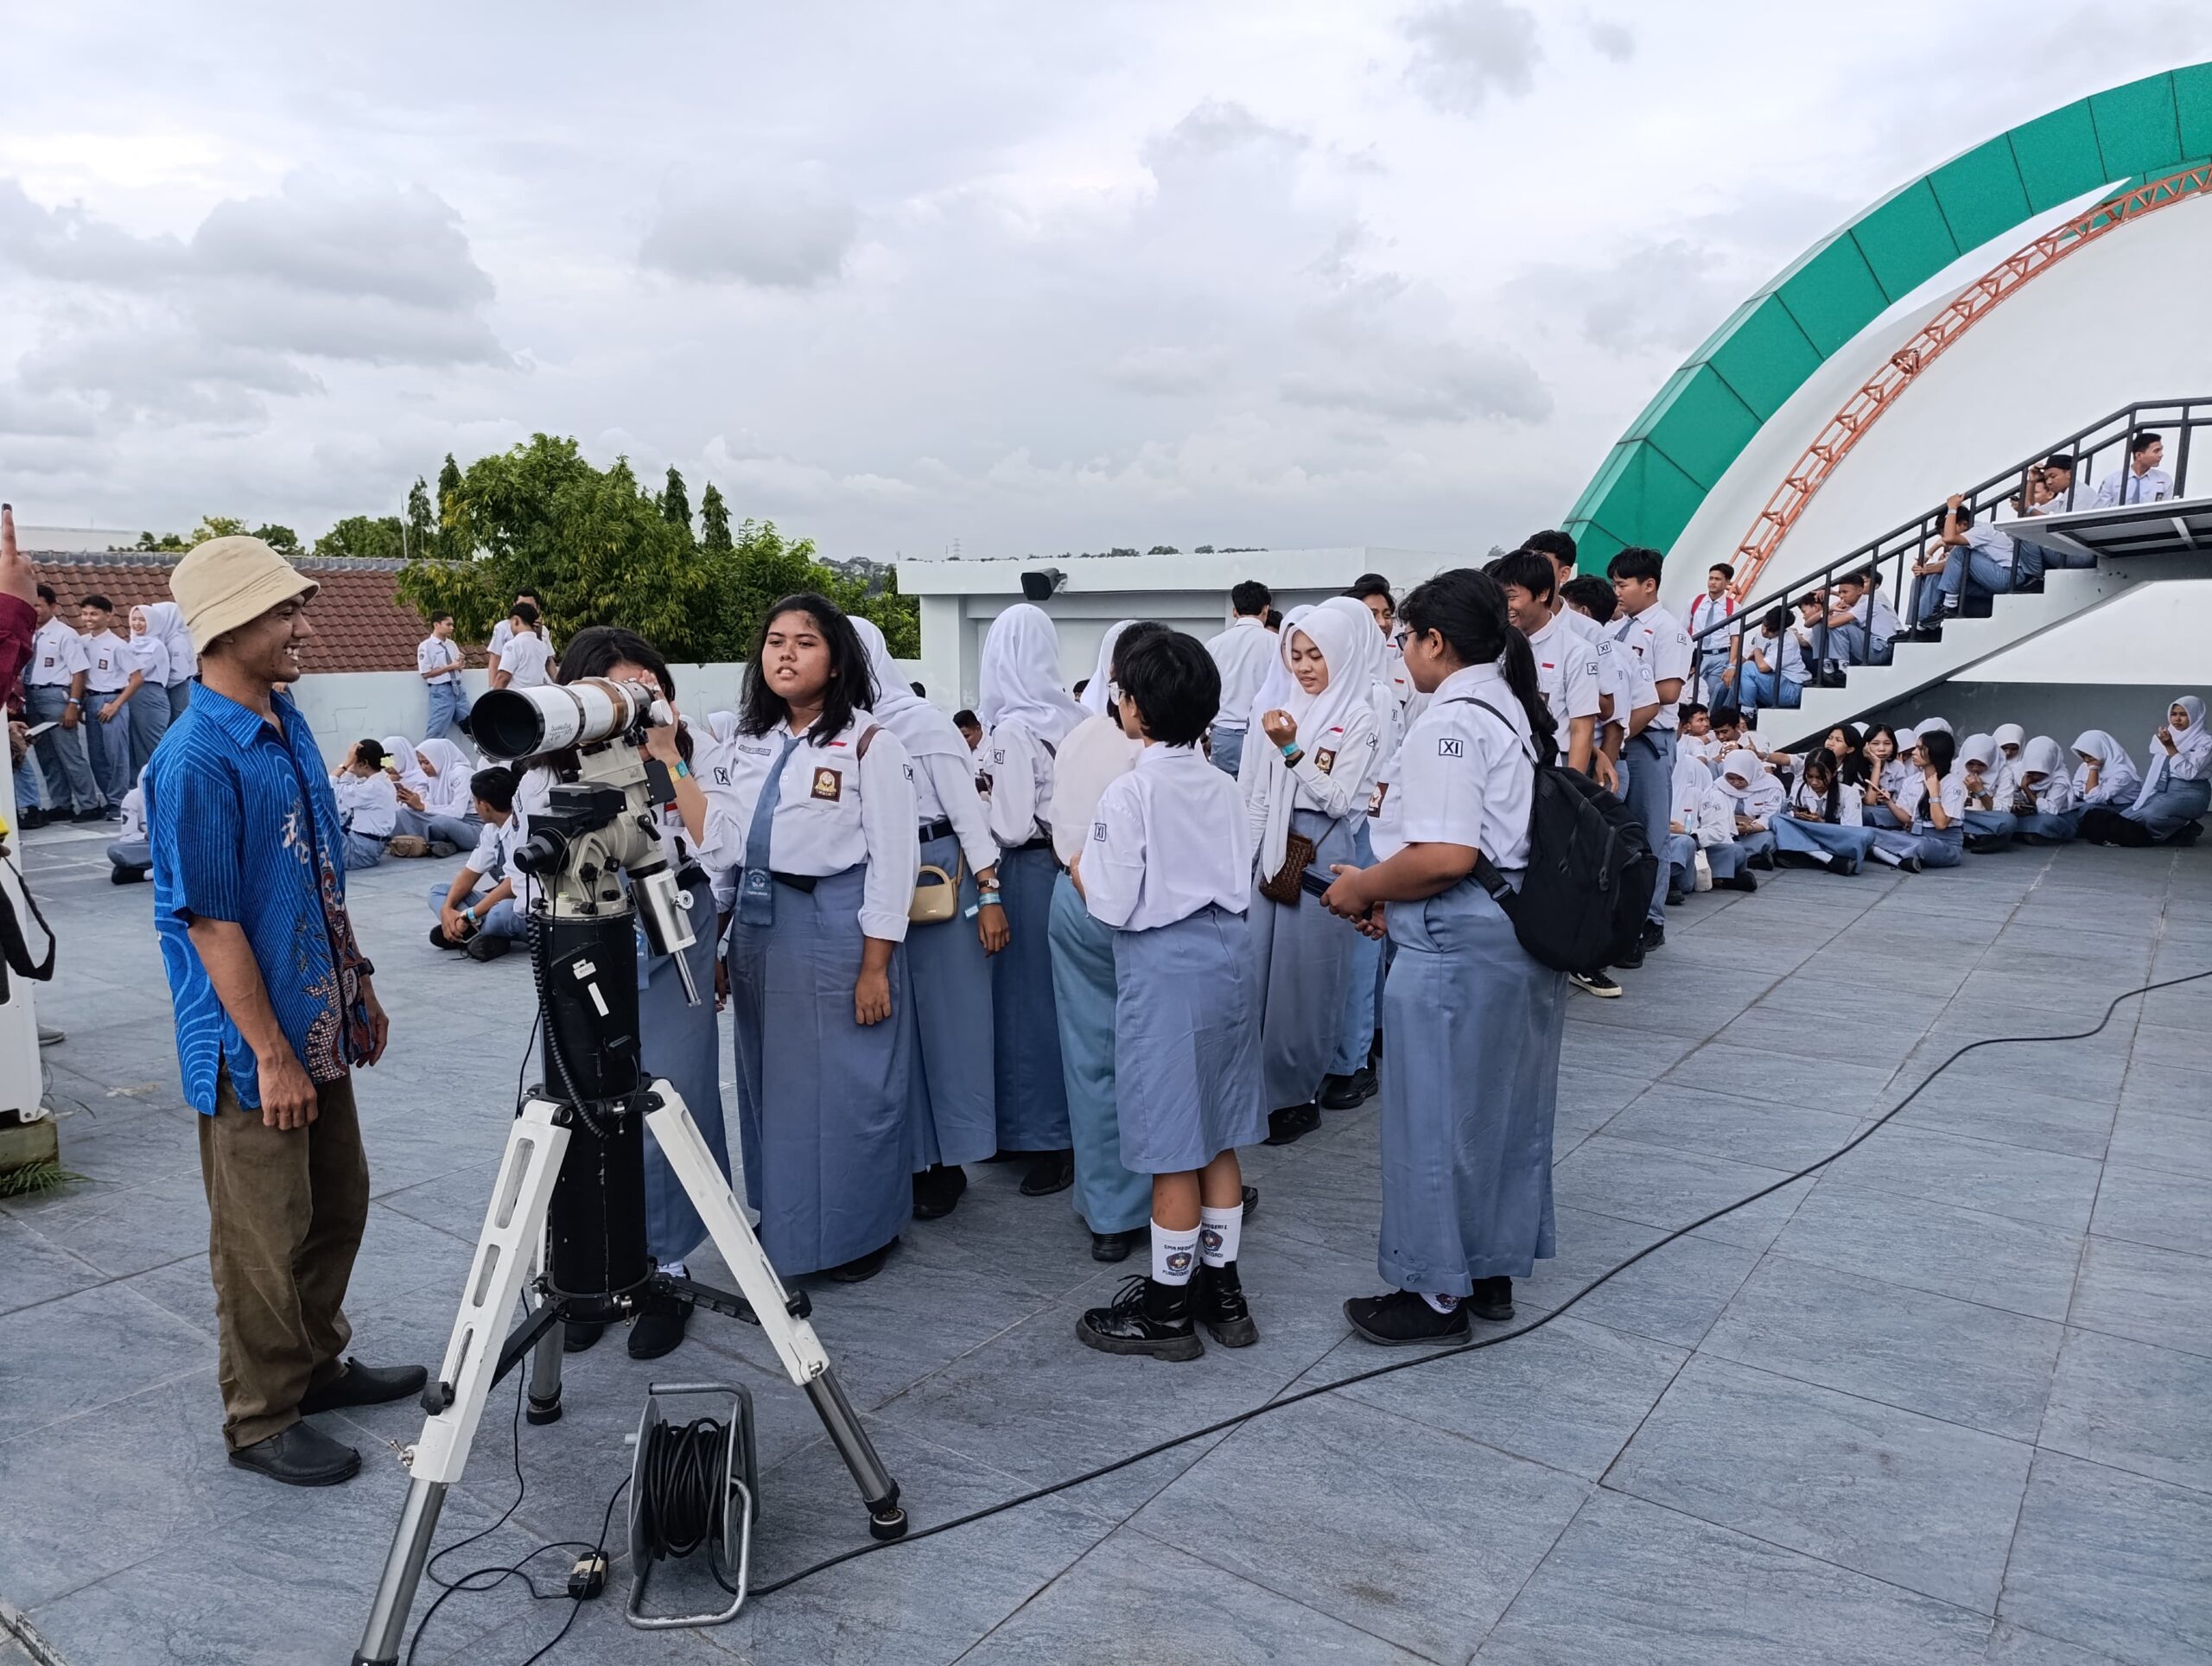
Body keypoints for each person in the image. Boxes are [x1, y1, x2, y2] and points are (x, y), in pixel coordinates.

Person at [143, 533, 416, 1488]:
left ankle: (317, 1365)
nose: (304, 625)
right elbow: (214, 923)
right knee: (262, 1232)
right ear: (224, 628)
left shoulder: (287, 718)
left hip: (320, 1018)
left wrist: (360, 985)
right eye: (282, 612)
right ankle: (262, 1416)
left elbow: (316, 876)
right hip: (250, 1044)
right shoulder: (195, 758)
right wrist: (270, 1051)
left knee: (334, 1204)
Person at [1325, 568, 1566, 1342]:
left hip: (1461, 940)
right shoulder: (1511, 708)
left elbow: (1447, 854)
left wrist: (1365, 886)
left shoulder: (1448, 720)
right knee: (1498, 1113)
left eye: (1405, 639)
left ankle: (1433, 1293)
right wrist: (1390, 900)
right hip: (1509, 932)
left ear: (1436, 641)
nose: (1401, 654)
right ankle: (1487, 1267)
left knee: (1433, 1117)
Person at [530, 627, 736, 1351]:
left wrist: (669, 760)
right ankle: (592, 1264)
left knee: (671, 1095)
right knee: (585, 1099)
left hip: (673, 913)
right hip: (583, 928)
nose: (641, 703)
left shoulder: (694, 751)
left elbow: (717, 843)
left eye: (650, 688)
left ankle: (668, 1265)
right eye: (622, 691)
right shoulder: (548, 761)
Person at [1072, 629, 1265, 1361]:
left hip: (1164, 968)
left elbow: (1113, 906)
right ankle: (1225, 1292)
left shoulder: (1131, 791)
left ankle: (1167, 1307)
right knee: (1216, 1134)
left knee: (1170, 1146)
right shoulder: (1221, 783)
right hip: (1225, 957)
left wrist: (1079, 867)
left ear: (1136, 710)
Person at [721, 595, 919, 1282]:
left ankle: (857, 1232)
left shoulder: (871, 744)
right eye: (775, 641)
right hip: (757, 925)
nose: (785, 654)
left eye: (805, 643)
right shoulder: (745, 741)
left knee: (846, 1087)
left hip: (836, 929)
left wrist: (875, 967)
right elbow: (728, 846)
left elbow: (894, 863)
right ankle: (786, 1217)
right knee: (769, 1079)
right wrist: (723, 941)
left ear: (836, 663)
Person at [851, 616, 1004, 1224]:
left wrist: (989, 893)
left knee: (949, 1025)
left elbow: (968, 814)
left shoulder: (920, 724)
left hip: (937, 876)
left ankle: (949, 1162)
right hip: (873, 877)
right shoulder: (838, 729)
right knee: (896, 1028)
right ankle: (909, 1156)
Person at [1047, 620, 1167, 1262]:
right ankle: (1166, 1193)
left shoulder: (1080, 734)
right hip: (1141, 909)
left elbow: (1058, 823)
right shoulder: (1162, 746)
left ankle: (1107, 1211)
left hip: (1073, 898)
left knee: (1090, 1057)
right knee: (1154, 1058)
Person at [1242, 599, 1377, 1146]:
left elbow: (1341, 799)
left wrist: (1292, 751)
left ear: (1340, 656)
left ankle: (1298, 1095)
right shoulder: (1277, 706)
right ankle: (1259, 1091)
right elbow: (1254, 790)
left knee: (1307, 981)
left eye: (1315, 655)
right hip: (1273, 849)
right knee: (1260, 974)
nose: (1303, 666)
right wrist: (1245, 859)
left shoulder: (1361, 715)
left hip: (1320, 852)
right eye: (1295, 654)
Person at [977, 602, 1086, 1196]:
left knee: (1023, 1010)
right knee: (1054, 1005)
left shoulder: (1012, 731)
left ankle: (1042, 1136)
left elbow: (1012, 824)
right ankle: (1051, 1130)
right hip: (1067, 870)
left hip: (1022, 871)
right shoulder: (1072, 717)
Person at [1607, 546, 1691, 958]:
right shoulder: (1615, 628)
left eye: (1623, 584)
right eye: (1614, 584)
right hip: (1619, 734)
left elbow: (1669, 690)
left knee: (1650, 831)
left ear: (1649, 584)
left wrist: (1627, 702)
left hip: (1647, 740)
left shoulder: (1666, 629)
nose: (1617, 592)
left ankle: (1650, 919)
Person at [2081, 696, 2210, 846]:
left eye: (2183, 714)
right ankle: (2163, 832)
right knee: (2129, 816)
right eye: (2174, 714)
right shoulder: (2166, 736)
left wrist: (2170, 747)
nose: (2177, 719)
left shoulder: (2206, 742)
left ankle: (2176, 830)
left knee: (2151, 816)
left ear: (2196, 715)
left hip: (2191, 792)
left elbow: (2188, 773)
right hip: (2164, 788)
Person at [23, 583, 103, 822]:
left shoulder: (65, 635)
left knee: (69, 753)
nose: (34, 610)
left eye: (38, 605)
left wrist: (74, 704)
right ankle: (61, 803)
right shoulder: (27, 632)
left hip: (56, 696)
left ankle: (89, 804)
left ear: (53, 606)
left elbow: (79, 671)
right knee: (46, 754)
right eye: (31, 605)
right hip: (32, 696)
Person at [429, 766, 527, 960]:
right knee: (438, 892)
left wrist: (469, 915)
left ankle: (470, 932)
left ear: (485, 805)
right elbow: (470, 873)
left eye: (475, 802)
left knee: (501, 913)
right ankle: (477, 935)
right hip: (496, 901)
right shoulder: (491, 829)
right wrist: (447, 908)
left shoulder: (522, 826)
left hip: (525, 904)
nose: (475, 807)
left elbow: (512, 886)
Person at [1204, 580, 1275, 778]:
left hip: (1224, 732)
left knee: (1223, 797)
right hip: (1264, 734)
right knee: (1259, 799)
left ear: (1235, 611)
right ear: (1266, 609)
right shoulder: (1276, 644)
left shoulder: (1214, 644)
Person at [1868, 728, 1965, 871]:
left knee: (1920, 847)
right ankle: (1899, 860)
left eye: (1920, 749)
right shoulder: (1912, 781)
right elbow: (1907, 819)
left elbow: (1940, 824)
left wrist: (1934, 793)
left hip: (1944, 843)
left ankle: (1885, 854)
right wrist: (1888, 802)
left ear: (1935, 752)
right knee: (1871, 834)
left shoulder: (1954, 784)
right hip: (1914, 834)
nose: (1914, 752)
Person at [78, 594, 138, 815]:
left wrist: (116, 704)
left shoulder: (117, 645)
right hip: (91, 700)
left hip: (112, 699)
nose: (88, 618)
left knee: (116, 754)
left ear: (109, 615)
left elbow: (137, 678)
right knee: (97, 755)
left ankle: (119, 801)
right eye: (85, 614)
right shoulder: (82, 642)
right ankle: (109, 798)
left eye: (94, 613)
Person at [1773, 748, 1876, 874]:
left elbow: (1852, 829)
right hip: (1806, 834)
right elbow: (1790, 822)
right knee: (1776, 820)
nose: (1814, 782)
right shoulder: (1798, 790)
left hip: (1833, 837)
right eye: (1809, 776)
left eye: (1820, 777)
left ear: (1833, 773)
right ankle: (1829, 859)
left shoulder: (1849, 793)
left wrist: (1821, 822)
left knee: (1866, 835)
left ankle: (1811, 855)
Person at [329, 739, 399, 868]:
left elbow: (327, 789)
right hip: (365, 846)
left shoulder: (372, 788)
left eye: (354, 763)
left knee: (315, 821)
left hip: (359, 851)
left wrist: (345, 765)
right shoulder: (383, 781)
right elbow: (343, 792)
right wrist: (351, 768)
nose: (352, 767)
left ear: (364, 764)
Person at [123, 604, 173, 783]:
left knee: (152, 744)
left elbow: (137, 672)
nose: (137, 623)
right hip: (130, 696)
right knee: (133, 745)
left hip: (149, 696)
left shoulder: (155, 645)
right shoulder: (130, 644)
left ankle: (164, 785)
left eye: (142, 620)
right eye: (134, 619)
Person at [1347, 574, 1411, 710]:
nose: (1382, 623)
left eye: (1387, 615)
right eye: (1372, 615)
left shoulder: (1406, 674)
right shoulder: (1334, 673)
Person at [2005, 736, 2081, 843]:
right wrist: (2017, 807)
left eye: (2041, 773)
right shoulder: (2018, 770)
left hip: (2058, 817)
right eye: (2031, 772)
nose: (2036, 777)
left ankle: (2023, 833)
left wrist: (2026, 788)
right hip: (2029, 815)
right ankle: (2029, 833)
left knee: (2046, 822)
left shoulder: (2060, 778)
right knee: (2007, 818)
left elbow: (2050, 810)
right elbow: (2009, 796)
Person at [1822, 569, 1898, 674]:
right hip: (1871, 648)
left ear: (1859, 591)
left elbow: (1831, 623)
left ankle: (1843, 668)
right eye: (1840, 592)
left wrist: (1828, 610)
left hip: (1881, 649)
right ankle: (1832, 664)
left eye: (1845, 592)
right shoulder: (1852, 606)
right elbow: (1817, 624)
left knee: (1841, 626)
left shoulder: (1867, 603)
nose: (1841, 596)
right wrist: (1829, 611)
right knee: (1824, 628)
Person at [1686, 563, 1739, 708]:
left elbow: (1735, 638)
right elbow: (1683, 630)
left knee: (1711, 693)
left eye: (1717, 579)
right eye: (1711, 578)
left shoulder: (1733, 606)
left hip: (1719, 655)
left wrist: (1731, 665)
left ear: (1727, 582)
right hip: (1697, 655)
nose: (1712, 582)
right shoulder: (1695, 602)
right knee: (1691, 691)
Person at [138, 599, 198, 717]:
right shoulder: (168, 638)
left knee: (179, 719)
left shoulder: (177, 642)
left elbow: (179, 674)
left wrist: (160, 683)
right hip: (176, 688)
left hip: (180, 689)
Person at [416, 611, 472, 740]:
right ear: (437, 624)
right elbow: (425, 674)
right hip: (441, 690)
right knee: (437, 730)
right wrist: (449, 667)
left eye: (452, 625)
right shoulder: (426, 646)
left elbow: (457, 668)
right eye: (448, 624)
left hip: (458, 689)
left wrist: (459, 664)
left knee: (472, 725)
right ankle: (425, 757)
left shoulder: (451, 644)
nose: (452, 628)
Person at [1956, 732, 2013, 852]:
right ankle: (1977, 837)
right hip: (1960, 816)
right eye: (1970, 764)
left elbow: (2003, 808)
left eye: (1981, 764)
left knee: (2009, 821)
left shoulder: (2004, 773)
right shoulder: (1954, 768)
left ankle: (1969, 836)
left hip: (1985, 818)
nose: (1975, 769)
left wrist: (1980, 791)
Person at [2069, 729, 2140, 813]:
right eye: (2083, 756)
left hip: (2123, 809)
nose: (2086, 760)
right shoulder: (2085, 766)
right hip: (2097, 804)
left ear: (2101, 750)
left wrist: (2094, 769)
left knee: (2090, 810)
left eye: (2089, 755)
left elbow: (2093, 799)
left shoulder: (2123, 773)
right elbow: (2077, 789)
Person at [2094, 430, 2171, 506]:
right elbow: (2101, 510)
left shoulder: (2164, 479)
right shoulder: (2112, 480)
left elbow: (2168, 510)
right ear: (2139, 455)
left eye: (2161, 450)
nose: (2161, 454)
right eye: (2156, 451)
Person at [483, 589, 547, 681]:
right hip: (513, 688)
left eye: (530, 606)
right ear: (514, 605)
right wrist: (493, 688)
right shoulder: (503, 627)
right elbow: (495, 659)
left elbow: (547, 660)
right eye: (521, 605)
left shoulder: (543, 630)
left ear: (538, 607)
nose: (525, 609)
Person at [489, 601, 553, 690]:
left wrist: (492, 699)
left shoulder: (513, 645)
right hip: (534, 698)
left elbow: (503, 677)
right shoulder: (542, 646)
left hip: (516, 698)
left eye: (510, 623)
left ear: (516, 620)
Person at [106, 783, 151, 883]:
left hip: (183, 846)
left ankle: (147, 874)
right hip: (155, 846)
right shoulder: (134, 797)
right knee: (116, 850)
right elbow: (127, 837)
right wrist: (145, 836)